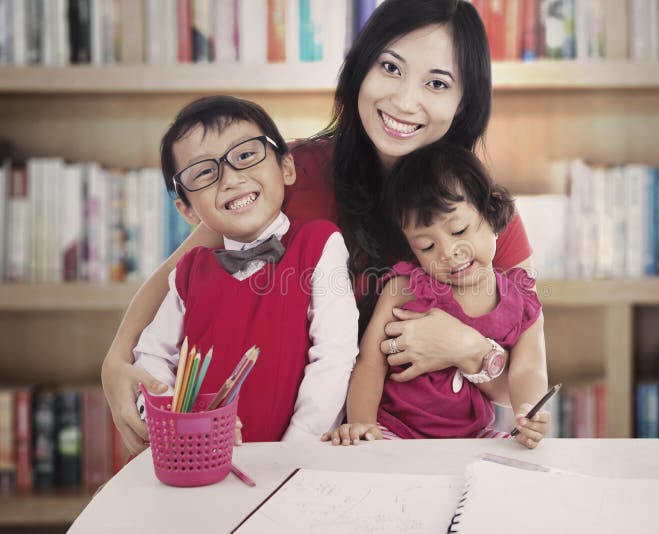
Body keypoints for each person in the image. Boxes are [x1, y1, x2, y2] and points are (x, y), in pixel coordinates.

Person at [102, 0, 550, 454]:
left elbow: (517, 384)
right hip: (284, 442)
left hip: (423, 450)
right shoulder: (288, 173)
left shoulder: (481, 214)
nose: (404, 100)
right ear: (360, 68)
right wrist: (116, 362)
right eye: (390, 68)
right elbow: (180, 276)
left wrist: (470, 350)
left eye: (437, 83)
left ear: (464, 101)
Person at [131, 95, 358, 443]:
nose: (231, 179)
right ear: (187, 210)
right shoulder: (188, 272)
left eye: (245, 156)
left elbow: (334, 356)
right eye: (204, 172)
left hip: (297, 456)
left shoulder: (319, 243)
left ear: (286, 168)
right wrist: (179, 425)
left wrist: (295, 448)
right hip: (200, 456)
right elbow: (152, 356)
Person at [322, 143, 547, 448]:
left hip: (471, 435)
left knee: (509, 459)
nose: (448, 253)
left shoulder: (522, 302)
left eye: (459, 230)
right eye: (426, 246)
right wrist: (362, 424)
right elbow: (370, 363)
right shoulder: (404, 289)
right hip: (396, 429)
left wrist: (529, 413)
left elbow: (528, 367)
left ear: (491, 212)